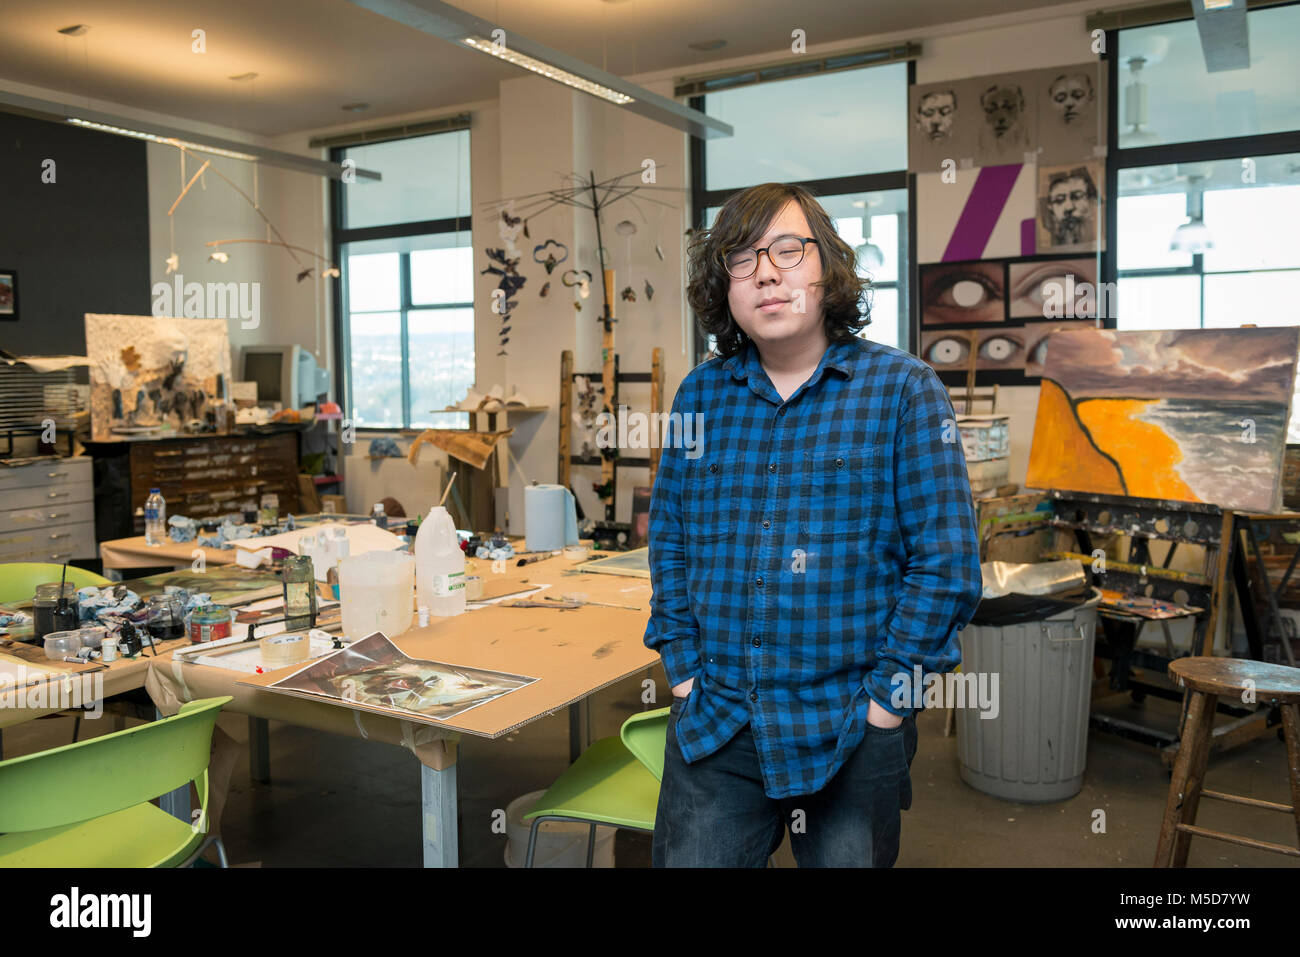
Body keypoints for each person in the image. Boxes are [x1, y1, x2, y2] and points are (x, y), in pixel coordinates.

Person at [644, 182, 982, 867]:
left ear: (827, 267)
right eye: (742, 257)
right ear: (727, 286)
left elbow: (946, 564)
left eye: (788, 250)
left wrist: (886, 703)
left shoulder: (903, 391)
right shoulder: (699, 396)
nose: (765, 271)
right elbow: (669, 538)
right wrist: (681, 671)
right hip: (717, 723)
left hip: (848, 731)